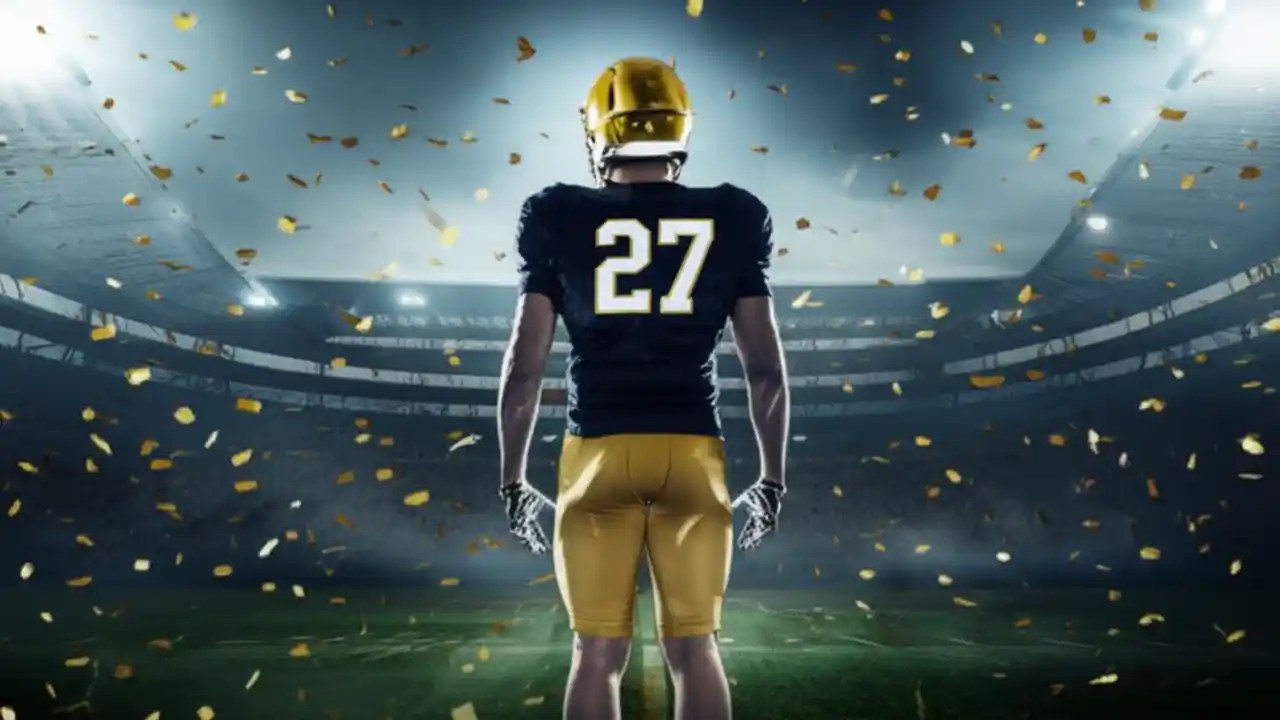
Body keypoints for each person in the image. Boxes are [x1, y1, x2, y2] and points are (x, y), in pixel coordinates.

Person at [496, 56, 790, 720]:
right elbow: (765, 372)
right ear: (680, 127)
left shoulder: (555, 212)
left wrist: (513, 480)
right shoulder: (735, 213)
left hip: (596, 453)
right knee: (696, 651)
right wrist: (773, 478)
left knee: (595, 657)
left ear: (601, 129)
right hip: (692, 453)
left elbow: (523, 370)